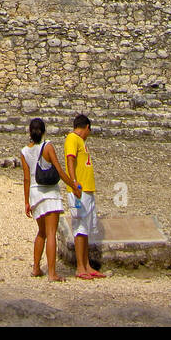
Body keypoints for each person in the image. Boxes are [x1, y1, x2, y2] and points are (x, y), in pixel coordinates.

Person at [20, 117, 81, 281]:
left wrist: (26, 201)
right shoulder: (47, 147)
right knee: (51, 232)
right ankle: (52, 273)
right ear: (44, 130)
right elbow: (60, 171)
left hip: (34, 192)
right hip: (49, 193)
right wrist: (73, 186)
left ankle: (36, 267)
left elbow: (26, 178)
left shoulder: (24, 151)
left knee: (41, 232)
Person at [65, 114, 106, 279]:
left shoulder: (81, 142)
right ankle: (80, 267)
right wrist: (74, 183)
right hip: (78, 190)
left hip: (87, 189)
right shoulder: (72, 138)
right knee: (80, 228)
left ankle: (86, 264)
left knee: (86, 228)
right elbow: (70, 160)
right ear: (86, 127)